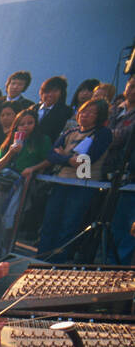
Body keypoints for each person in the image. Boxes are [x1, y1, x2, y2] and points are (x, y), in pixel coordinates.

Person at [38, 98, 113, 262]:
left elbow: (88, 159)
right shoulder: (70, 132)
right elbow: (51, 155)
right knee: (50, 222)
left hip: (83, 185)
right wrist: (68, 159)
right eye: (84, 110)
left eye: (91, 113)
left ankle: (57, 261)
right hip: (61, 181)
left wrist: (63, 154)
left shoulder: (103, 133)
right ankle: (41, 257)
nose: (85, 115)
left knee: (69, 225)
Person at [0, 108, 51, 259]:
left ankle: (6, 249)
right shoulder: (10, 140)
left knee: (11, 217)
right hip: (3, 183)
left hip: (22, 183)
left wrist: (32, 168)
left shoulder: (42, 140)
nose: (25, 127)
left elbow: (48, 160)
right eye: (21, 124)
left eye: (30, 123)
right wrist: (11, 152)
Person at [35, 75, 73, 142]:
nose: (50, 94)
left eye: (55, 91)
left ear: (61, 93)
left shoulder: (67, 112)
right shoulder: (33, 108)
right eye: (47, 91)